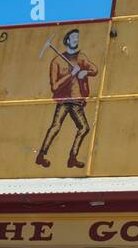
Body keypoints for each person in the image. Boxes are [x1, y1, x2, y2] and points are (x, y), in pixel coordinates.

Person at [35, 29, 97, 169]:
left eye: (77, 37)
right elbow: (55, 87)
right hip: (63, 100)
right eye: (73, 37)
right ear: (67, 40)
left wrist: (84, 72)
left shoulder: (81, 57)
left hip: (77, 100)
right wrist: (71, 74)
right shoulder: (56, 61)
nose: (76, 39)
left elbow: (95, 70)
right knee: (56, 127)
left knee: (84, 128)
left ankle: (72, 157)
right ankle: (41, 155)